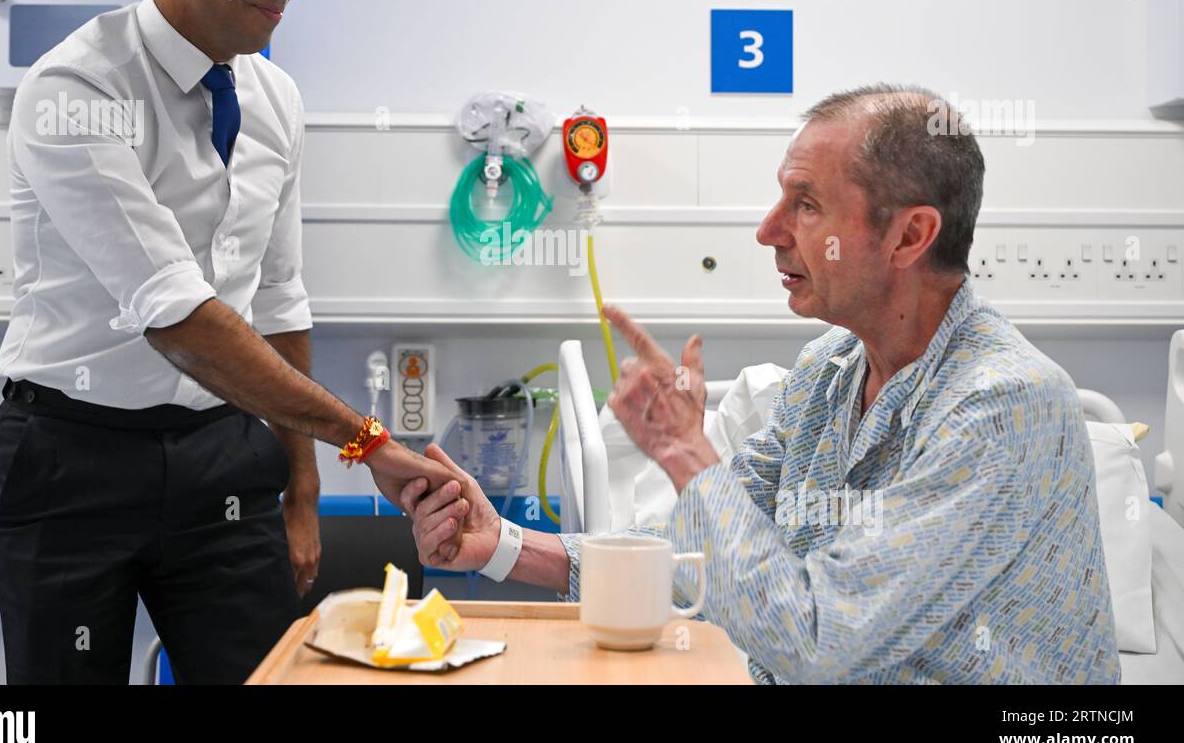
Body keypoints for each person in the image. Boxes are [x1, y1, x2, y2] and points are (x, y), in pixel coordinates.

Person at [402, 84, 1121, 684]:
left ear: (908, 236)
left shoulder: (1002, 406)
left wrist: (687, 452)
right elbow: (713, 560)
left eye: (806, 205)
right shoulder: (828, 375)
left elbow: (820, 644)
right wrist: (501, 545)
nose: (769, 230)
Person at [0, 0, 461, 684]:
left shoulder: (274, 99)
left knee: (262, 676)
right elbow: (179, 320)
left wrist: (302, 491)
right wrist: (367, 440)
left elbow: (277, 300)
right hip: (72, 457)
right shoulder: (78, 92)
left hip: (223, 459)